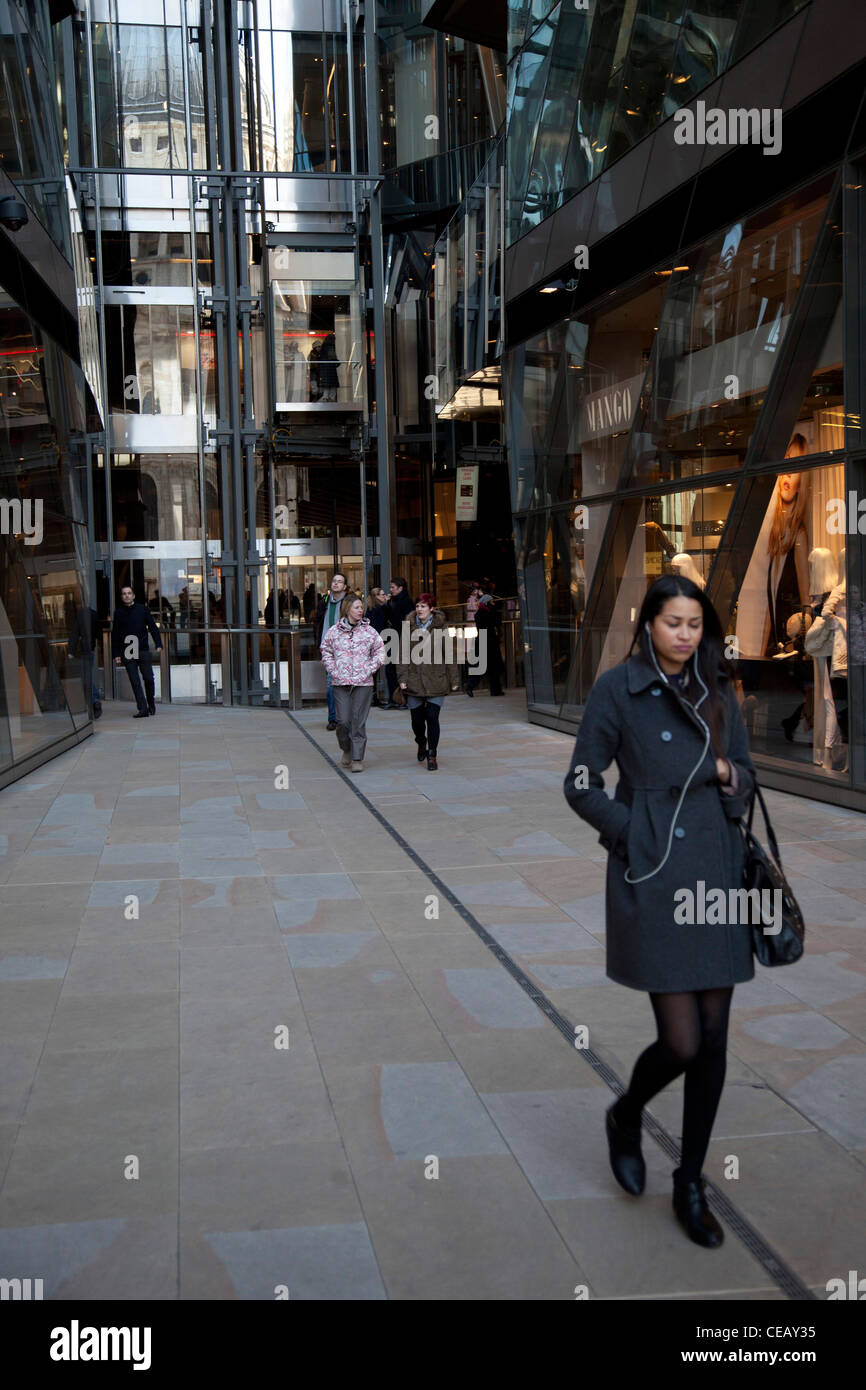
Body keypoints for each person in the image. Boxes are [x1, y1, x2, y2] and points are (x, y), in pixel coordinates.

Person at [563, 575, 755, 1248]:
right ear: (649, 624)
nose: (685, 635)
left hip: (717, 874)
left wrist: (731, 781)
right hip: (654, 872)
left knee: (715, 1040)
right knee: (682, 1039)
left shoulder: (720, 688)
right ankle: (627, 1114)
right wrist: (632, 832)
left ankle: (691, 1180)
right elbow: (581, 782)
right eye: (673, 622)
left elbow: (748, 776)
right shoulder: (618, 688)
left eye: (695, 624)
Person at [320, 595, 386, 772]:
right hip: (340, 682)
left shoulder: (369, 631)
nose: (360, 610)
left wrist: (369, 669)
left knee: (358, 721)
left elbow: (380, 651)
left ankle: (357, 757)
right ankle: (346, 749)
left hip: (363, 683)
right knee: (343, 721)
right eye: (357, 607)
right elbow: (325, 651)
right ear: (348, 609)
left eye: (361, 607)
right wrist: (334, 670)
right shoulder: (334, 631)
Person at [395, 593, 461, 771]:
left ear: (431, 609)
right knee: (417, 720)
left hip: (436, 679)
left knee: (432, 717)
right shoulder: (408, 627)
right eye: (417, 606)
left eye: (423, 606)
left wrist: (454, 678)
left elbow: (449, 654)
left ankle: (432, 755)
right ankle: (421, 741)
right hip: (414, 680)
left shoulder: (441, 627)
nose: (419, 609)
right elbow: (402, 654)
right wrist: (402, 678)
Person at [112, 584, 163, 718]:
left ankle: (151, 702)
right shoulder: (118, 612)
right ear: (121, 596)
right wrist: (116, 653)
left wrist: (158, 643)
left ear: (133, 595)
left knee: (148, 678)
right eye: (124, 593)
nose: (126, 595)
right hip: (128, 650)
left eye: (129, 593)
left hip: (142, 649)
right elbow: (115, 634)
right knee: (135, 681)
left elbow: (152, 627)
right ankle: (142, 708)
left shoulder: (142, 609)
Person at [314, 572, 348, 729]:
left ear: (344, 586)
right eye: (334, 581)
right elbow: (318, 623)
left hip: (346, 649)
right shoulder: (325, 602)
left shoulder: (349, 603)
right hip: (328, 649)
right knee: (330, 686)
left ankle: (345, 717)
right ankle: (333, 719)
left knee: (346, 685)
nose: (336, 584)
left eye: (339, 581)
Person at [466, 592, 505, 696]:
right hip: (490, 641)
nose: (493, 603)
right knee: (493, 667)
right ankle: (495, 690)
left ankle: (470, 685)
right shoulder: (491, 613)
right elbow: (497, 623)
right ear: (487, 602)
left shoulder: (478, 614)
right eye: (492, 602)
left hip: (482, 640)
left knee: (480, 666)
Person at [68, 603, 103, 719]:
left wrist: (71, 651)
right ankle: (95, 701)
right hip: (91, 650)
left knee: (85, 678)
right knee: (87, 677)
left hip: (82, 652)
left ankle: (94, 700)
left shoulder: (79, 615)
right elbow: (99, 633)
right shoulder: (94, 614)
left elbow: (74, 633)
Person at [383, 576, 414, 708]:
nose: (390, 590)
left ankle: (404, 699)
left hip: (402, 638)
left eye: (393, 588)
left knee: (402, 669)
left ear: (400, 588)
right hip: (393, 637)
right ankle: (393, 699)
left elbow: (405, 622)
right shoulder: (392, 601)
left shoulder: (407, 602)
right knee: (390, 668)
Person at [366, 587, 390, 706]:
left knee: (374, 672)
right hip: (379, 642)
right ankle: (375, 697)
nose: (384, 596)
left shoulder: (370, 609)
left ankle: (373, 697)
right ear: (376, 597)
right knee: (378, 671)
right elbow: (381, 626)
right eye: (381, 595)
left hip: (371, 642)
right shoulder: (380, 609)